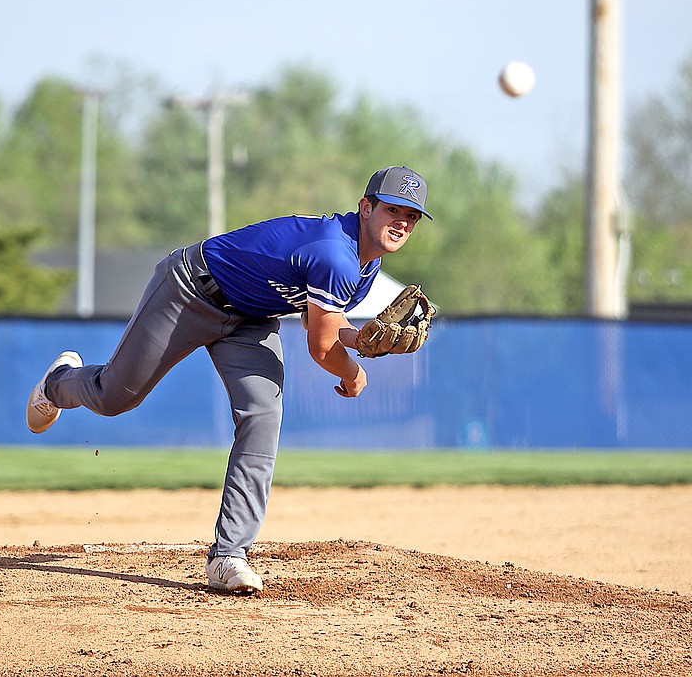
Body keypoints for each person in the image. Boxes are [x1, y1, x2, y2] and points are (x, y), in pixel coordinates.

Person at [26, 166, 432, 593]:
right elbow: (321, 347)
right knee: (113, 397)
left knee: (262, 413)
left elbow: (323, 323)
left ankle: (229, 556)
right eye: (393, 209)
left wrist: (362, 340)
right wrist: (354, 371)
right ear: (366, 208)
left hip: (251, 318)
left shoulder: (366, 264)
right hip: (189, 291)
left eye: (412, 215)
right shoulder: (336, 252)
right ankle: (57, 383)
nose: (402, 222)